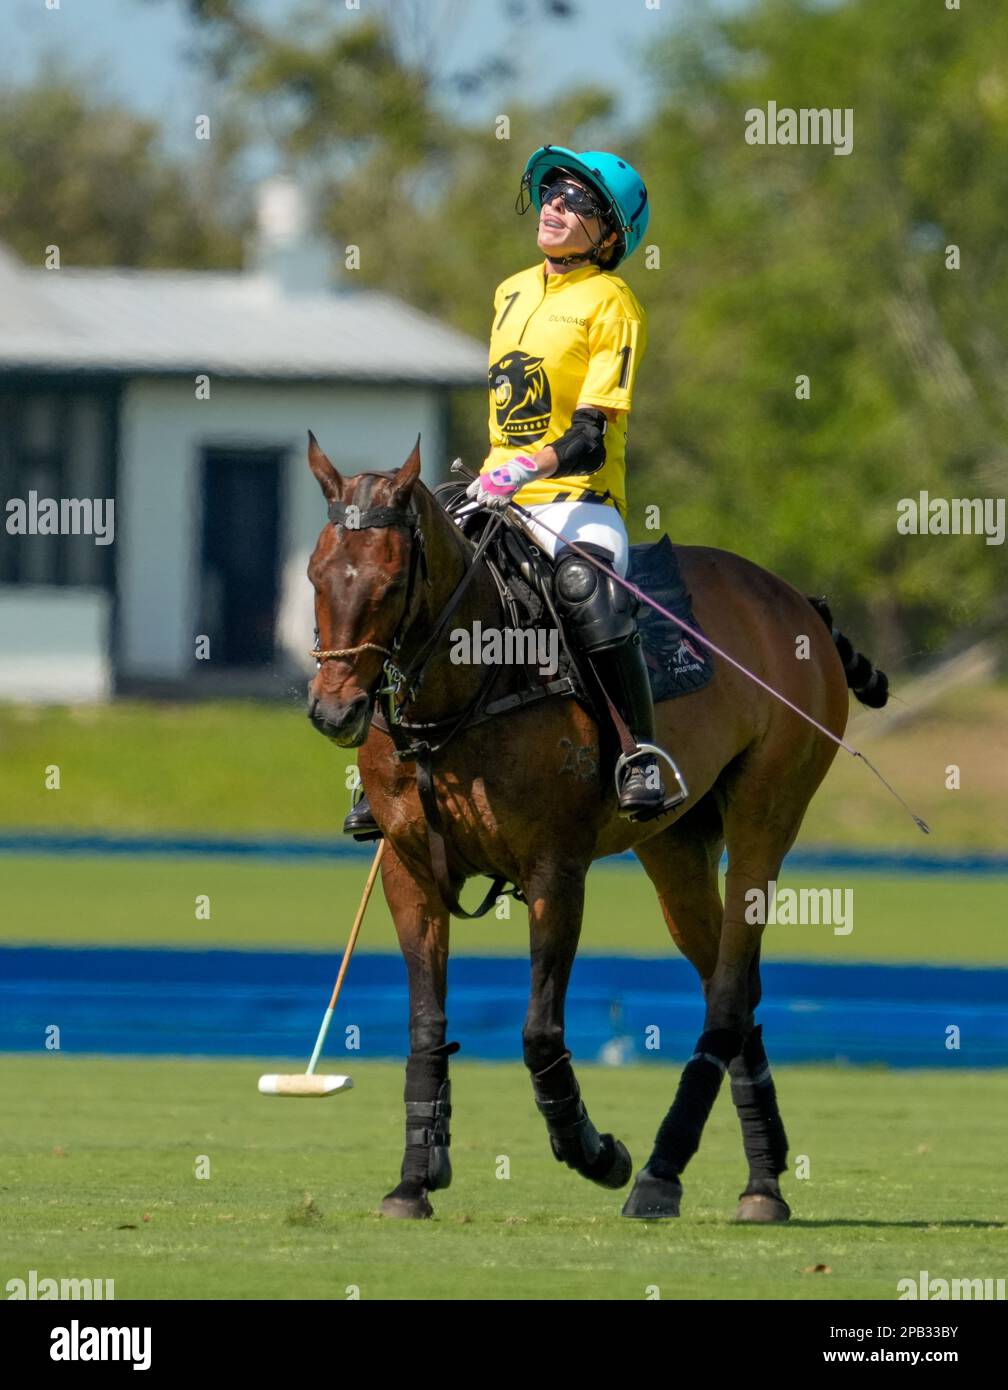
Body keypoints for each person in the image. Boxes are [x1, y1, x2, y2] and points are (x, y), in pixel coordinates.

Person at [345, 144, 678, 839]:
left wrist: (527, 467)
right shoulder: (510, 291)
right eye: (552, 191)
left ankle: (638, 752)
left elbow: (591, 433)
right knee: (407, 575)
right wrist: (497, 476)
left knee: (591, 593)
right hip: (496, 497)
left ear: (611, 234)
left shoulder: (613, 302)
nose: (556, 205)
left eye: (578, 200)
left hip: (575, 498)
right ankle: (380, 762)